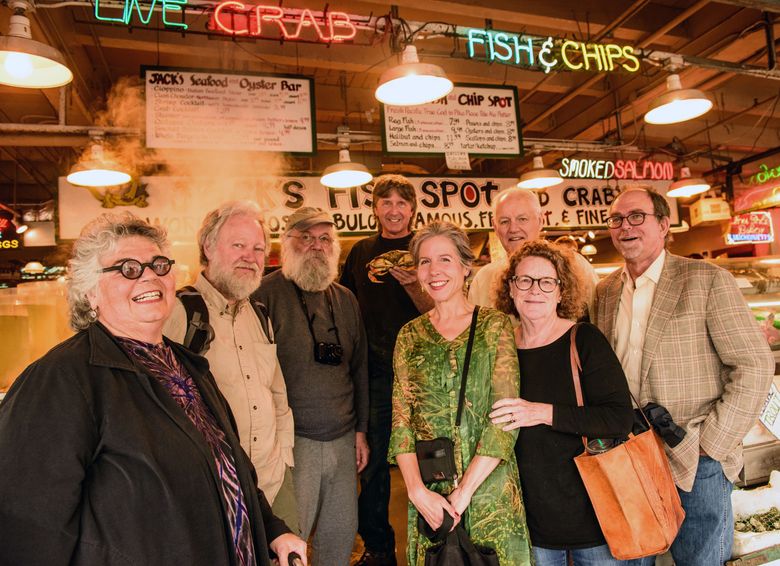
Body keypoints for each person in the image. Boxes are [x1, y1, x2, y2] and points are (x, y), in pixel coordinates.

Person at [0, 212, 307, 566]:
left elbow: (230, 466)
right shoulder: (60, 378)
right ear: (89, 291)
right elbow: (27, 524)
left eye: (159, 265)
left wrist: (272, 529)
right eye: (127, 268)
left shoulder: (189, 366)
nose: (149, 276)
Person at [594, 188, 774, 566]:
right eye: (617, 219)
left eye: (637, 217)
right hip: (631, 456)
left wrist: (712, 443)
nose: (625, 227)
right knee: (634, 558)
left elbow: (754, 364)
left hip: (696, 457)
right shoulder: (605, 292)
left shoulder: (706, 280)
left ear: (663, 225)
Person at [389, 220, 533, 566]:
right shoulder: (409, 336)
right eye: (425, 261)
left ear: (466, 266)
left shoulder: (494, 326)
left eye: (445, 259)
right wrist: (417, 492)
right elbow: (401, 422)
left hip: (489, 494)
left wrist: (464, 493)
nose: (434, 270)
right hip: (431, 497)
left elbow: (506, 419)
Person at [489, 239, 635, 565]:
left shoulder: (583, 340)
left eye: (546, 282)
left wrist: (541, 412)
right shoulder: (501, 349)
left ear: (560, 291)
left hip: (594, 515)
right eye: (524, 280)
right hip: (530, 519)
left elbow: (618, 418)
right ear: (510, 289)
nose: (534, 290)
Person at [164, 200, 298, 532]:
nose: (249, 257)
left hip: (273, 483)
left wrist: (285, 458)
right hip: (214, 492)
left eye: (258, 249)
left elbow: (277, 395)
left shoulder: (260, 315)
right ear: (208, 247)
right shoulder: (178, 313)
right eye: (238, 245)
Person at [254, 207, 369, 566]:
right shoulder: (262, 294)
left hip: (343, 440)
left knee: (340, 537)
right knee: (292, 543)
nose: (316, 246)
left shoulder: (345, 299)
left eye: (324, 238)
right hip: (292, 444)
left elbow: (359, 368)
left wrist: (361, 431)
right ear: (286, 242)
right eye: (305, 237)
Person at [340, 174, 433, 566]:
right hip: (374, 373)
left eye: (401, 203)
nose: (394, 210)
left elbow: (443, 309)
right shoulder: (360, 252)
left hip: (424, 371)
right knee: (373, 465)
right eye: (386, 202)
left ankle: (438, 543)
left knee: (433, 456)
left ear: (412, 210)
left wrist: (414, 285)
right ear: (375, 208)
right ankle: (379, 549)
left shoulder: (427, 249)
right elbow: (345, 305)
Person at [468, 187, 598, 320]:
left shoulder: (576, 267)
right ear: (495, 227)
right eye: (504, 221)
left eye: (522, 219)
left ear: (541, 221)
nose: (513, 229)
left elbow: (599, 319)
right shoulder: (483, 279)